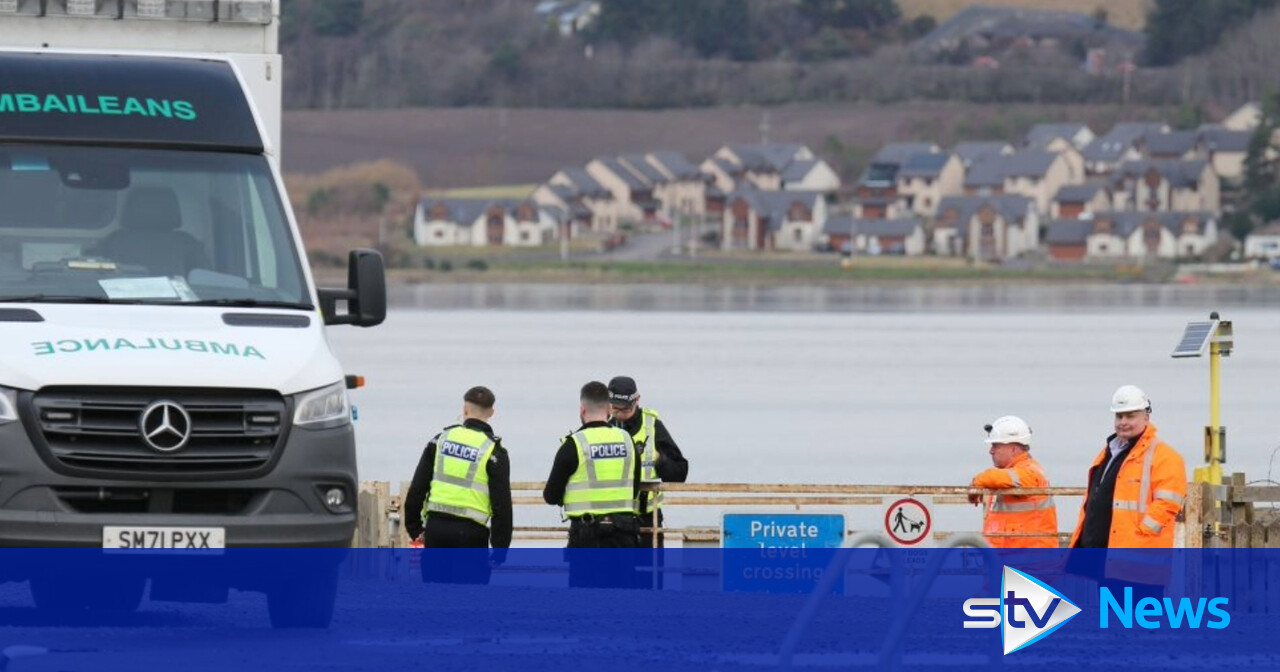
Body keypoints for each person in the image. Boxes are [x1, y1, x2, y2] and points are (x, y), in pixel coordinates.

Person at [1068, 385, 1187, 597]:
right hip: (1110, 558)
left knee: (1142, 622)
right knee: (1112, 621)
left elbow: (1169, 502)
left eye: (1130, 416)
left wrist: (1142, 533)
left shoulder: (1164, 456)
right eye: (1119, 416)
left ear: (1146, 417)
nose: (1123, 422)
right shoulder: (1111, 451)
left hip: (1140, 560)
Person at [404, 386, 512, 585]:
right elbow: (501, 505)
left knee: (435, 599)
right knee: (470, 603)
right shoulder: (494, 451)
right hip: (472, 537)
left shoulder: (440, 440)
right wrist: (500, 549)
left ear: (465, 409)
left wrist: (414, 528)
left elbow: (418, 487)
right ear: (491, 413)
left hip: (436, 531)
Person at [544, 381, 642, 588]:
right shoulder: (627, 440)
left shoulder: (574, 444)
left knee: (585, 601)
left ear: (582, 409)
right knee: (623, 600)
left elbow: (551, 496)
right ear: (609, 409)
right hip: (624, 536)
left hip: (586, 536)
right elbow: (634, 488)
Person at [606, 376, 689, 550]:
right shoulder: (600, 426)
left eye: (626, 409)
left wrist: (659, 458)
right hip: (611, 519)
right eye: (615, 409)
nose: (620, 414)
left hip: (647, 519)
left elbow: (680, 473)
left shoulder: (652, 426)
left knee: (650, 576)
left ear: (637, 400)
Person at [967, 416, 1058, 548]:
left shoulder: (1031, 471)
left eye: (995, 446)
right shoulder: (1005, 475)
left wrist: (977, 482)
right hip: (1010, 558)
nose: (991, 451)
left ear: (1013, 449)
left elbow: (1010, 478)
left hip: (1031, 562)